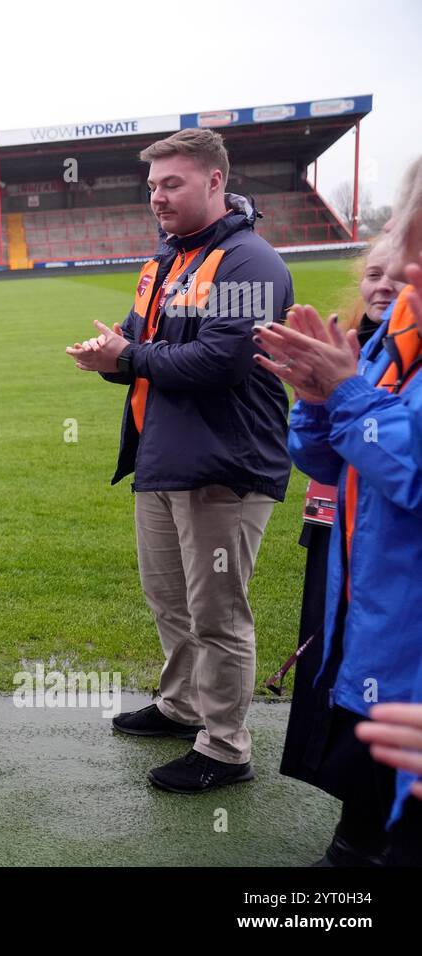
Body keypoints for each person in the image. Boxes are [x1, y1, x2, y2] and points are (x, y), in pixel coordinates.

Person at [65, 128, 294, 793]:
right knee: (169, 600)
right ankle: (182, 706)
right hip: (163, 459)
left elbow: (221, 364)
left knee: (217, 614)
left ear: (215, 182)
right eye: (153, 188)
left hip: (226, 466)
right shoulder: (163, 262)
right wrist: (112, 356)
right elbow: (140, 350)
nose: (158, 199)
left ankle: (225, 748)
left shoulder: (250, 262)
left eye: (173, 184)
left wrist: (129, 357)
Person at [256, 159, 422, 866]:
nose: (395, 271)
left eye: (407, 238)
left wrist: (346, 396)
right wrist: (319, 399)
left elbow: (410, 472)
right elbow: (330, 463)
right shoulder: (392, 337)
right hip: (371, 609)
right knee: (364, 802)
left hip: (403, 629)